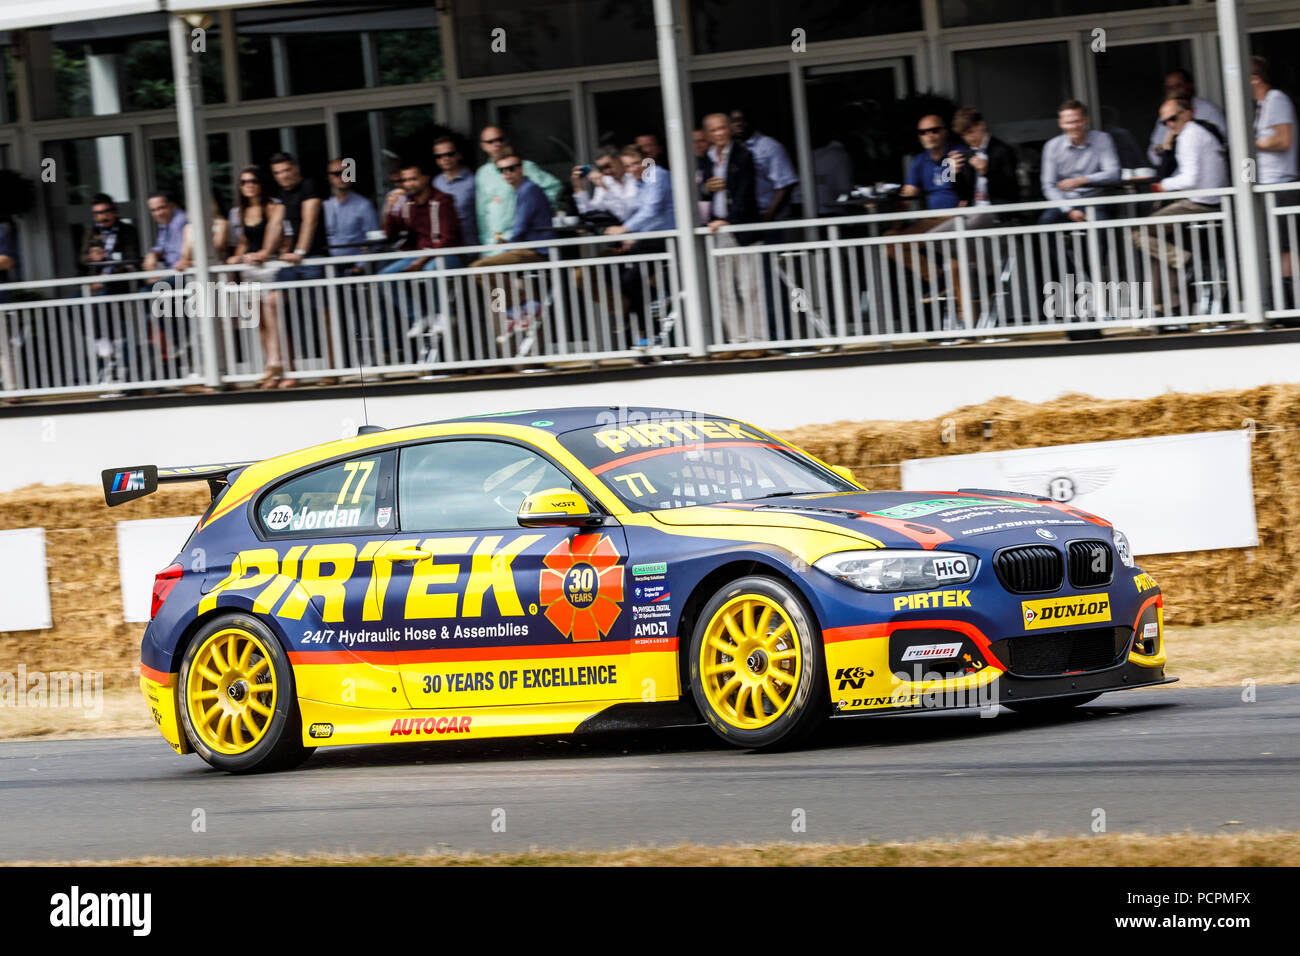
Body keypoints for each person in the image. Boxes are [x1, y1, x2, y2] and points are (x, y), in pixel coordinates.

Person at [1133, 96, 1229, 314]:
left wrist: (1162, 186)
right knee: (1158, 240)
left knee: (1139, 232)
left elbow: (1189, 179)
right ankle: (1167, 306)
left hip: (1200, 204)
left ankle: (1188, 263)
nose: (1169, 125)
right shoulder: (1197, 132)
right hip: (1209, 202)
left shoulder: (1189, 136)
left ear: (1187, 113)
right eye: (1164, 122)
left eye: (1173, 119)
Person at [470, 150, 554, 353]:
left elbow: (522, 226)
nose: (507, 173)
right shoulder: (522, 190)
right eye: (502, 170)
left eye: (511, 168)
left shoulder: (529, 189)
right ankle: (518, 312)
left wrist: (507, 244)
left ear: (521, 169)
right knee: (493, 285)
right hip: (527, 249)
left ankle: (523, 304)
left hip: (535, 251)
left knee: (478, 268)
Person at [380, 161, 462, 353]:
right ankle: (419, 315)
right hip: (420, 255)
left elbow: (447, 239)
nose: (408, 184)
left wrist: (421, 260)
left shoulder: (443, 200)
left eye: (413, 179)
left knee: (430, 269)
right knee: (385, 276)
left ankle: (442, 314)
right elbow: (391, 235)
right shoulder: (408, 204)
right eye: (405, 180)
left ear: (426, 179)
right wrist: (389, 209)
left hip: (446, 255)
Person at [700, 111, 763, 343]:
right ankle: (736, 340)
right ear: (708, 134)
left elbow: (747, 192)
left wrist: (731, 220)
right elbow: (701, 195)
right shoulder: (705, 158)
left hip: (742, 228)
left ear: (729, 129)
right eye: (714, 130)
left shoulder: (743, 154)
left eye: (723, 128)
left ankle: (756, 339)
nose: (719, 133)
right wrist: (707, 189)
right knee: (725, 289)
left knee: (750, 287)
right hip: (718, 229)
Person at [226, 165, 288, 388]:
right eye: (243, 182)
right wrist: (236, 257)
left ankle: (277, 362)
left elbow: (274, 230)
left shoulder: (274, 207)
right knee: (259, 320)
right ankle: (271, 368)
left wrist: (264, 252)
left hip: (269, 266)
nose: (248, 185)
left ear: (261, 184)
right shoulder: (238, 212)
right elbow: (243, 241)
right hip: (249, 267)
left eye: (252, 181)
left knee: (273, 314)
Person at [474, 126, 561, 249]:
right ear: (483, 146)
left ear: (506, 141)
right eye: (490, 141)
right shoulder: (482, 173)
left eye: (500, 139)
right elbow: (482, 212)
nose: (496, 144)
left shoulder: (524, 166)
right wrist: (486, 242)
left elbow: (554, 187)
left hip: (522, 240)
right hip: (495, 242)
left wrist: (538, 210)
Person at [1039, 100, 1120, 224]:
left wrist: (1081, 180)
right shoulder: (1052, 146)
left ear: (1086, 120)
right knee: (1046, 223)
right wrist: (1069, 210)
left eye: (1077, 121)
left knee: (1102, 229)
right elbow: (1048, 186)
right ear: (1061, 124)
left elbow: (1114, 173)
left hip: (1095, 201)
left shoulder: (1102, 139)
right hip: (1064, 202)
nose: (1074, 126)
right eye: (1068, 122)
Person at [1148, 69, 1227, 168]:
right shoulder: (1166, 113)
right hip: (1175, 173)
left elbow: (1223, 144)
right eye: (1169, 87)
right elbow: (1154, 151)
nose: (1173, 90)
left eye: (1178, 86)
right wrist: (1164, 148)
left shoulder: (1208, 110)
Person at [729, 108, 798, 222]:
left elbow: (785, 185)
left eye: (741, 120)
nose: (738, 124)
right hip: (742, 217)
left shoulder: (769, 146)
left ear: (750, 121)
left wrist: (769, 215)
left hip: (769, 217)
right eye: (733, 121)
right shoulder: (730, 150)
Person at [951, 106, 1019, 220]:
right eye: (963, 135)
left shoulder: (1003, 150)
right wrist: (954, 173)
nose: (968, 138)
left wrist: (987, 171)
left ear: (981, 125)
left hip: (996, 212)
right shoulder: (967, 153)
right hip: (972, 211)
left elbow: (1011, 190)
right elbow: (963, 195)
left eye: (970, 132)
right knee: (938, 233)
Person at [80, 193, 142, 293]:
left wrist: (104, 278)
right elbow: (82, 258)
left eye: (106, 212)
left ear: (115, 212)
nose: (102, 217)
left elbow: (131, 258)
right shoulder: (90, 232)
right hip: (93, 283)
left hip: (119, 281)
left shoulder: (128, 230)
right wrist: (91, 257)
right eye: (97, 213)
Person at [1251, 57, 1297, 186]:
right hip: (1265, 182)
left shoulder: (1276, 98)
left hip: (1277, 182)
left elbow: (1283, 141)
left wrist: (1251, 144)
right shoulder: (1262, 104)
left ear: (1255, 79)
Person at [323, 157, 379, 260]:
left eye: (347, 173)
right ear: (329, 177)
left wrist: (360, 266)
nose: (343, 177)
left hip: (356, 267)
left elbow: (374, 240)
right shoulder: (324, 205)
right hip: (328, 265)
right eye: (337, 174)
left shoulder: (364, 205)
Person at [431, 136, 478, 248]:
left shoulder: (473, 181)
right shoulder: (436, 182)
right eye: (439, 156)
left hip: (470, 244)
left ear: (458, 155)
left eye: (449, 154)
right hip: (445, 245)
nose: (445, 158)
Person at [571, 146, 638, 221]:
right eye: (601, 168)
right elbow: (588, 211)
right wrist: (579, 187)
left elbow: (624, 215)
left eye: (607, 166)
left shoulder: (635, 176)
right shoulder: (605, 181)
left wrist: (605, 189)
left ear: (618, 159)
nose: (606, 171)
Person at [142, 193, 189, 272]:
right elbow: (160, 246)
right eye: (153, 210)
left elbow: (181, 255)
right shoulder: (166, 223)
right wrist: (153, 254)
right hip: (173, 271)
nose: (158, 213)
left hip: (185, 272)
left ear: (173, 206)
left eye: (161, 208)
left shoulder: (180, 221)